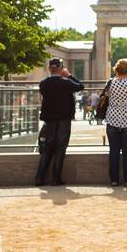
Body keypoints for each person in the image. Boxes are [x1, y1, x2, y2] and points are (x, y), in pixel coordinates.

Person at [36, 58, 85, 186]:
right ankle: (55, 178)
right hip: (64, 119)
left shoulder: (43, 83)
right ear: (61, 67)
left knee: (47, 148)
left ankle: (39, 178)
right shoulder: (66, 82)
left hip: (49, 119)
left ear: (49, 68)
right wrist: (69, 75)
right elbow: (81, 86)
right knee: (60, 148)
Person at [103, 58, 127, 186]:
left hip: (112, 119)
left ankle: (114, 180)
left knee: (113, 151)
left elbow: (106, 95)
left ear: (116, 69)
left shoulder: (110, 83)